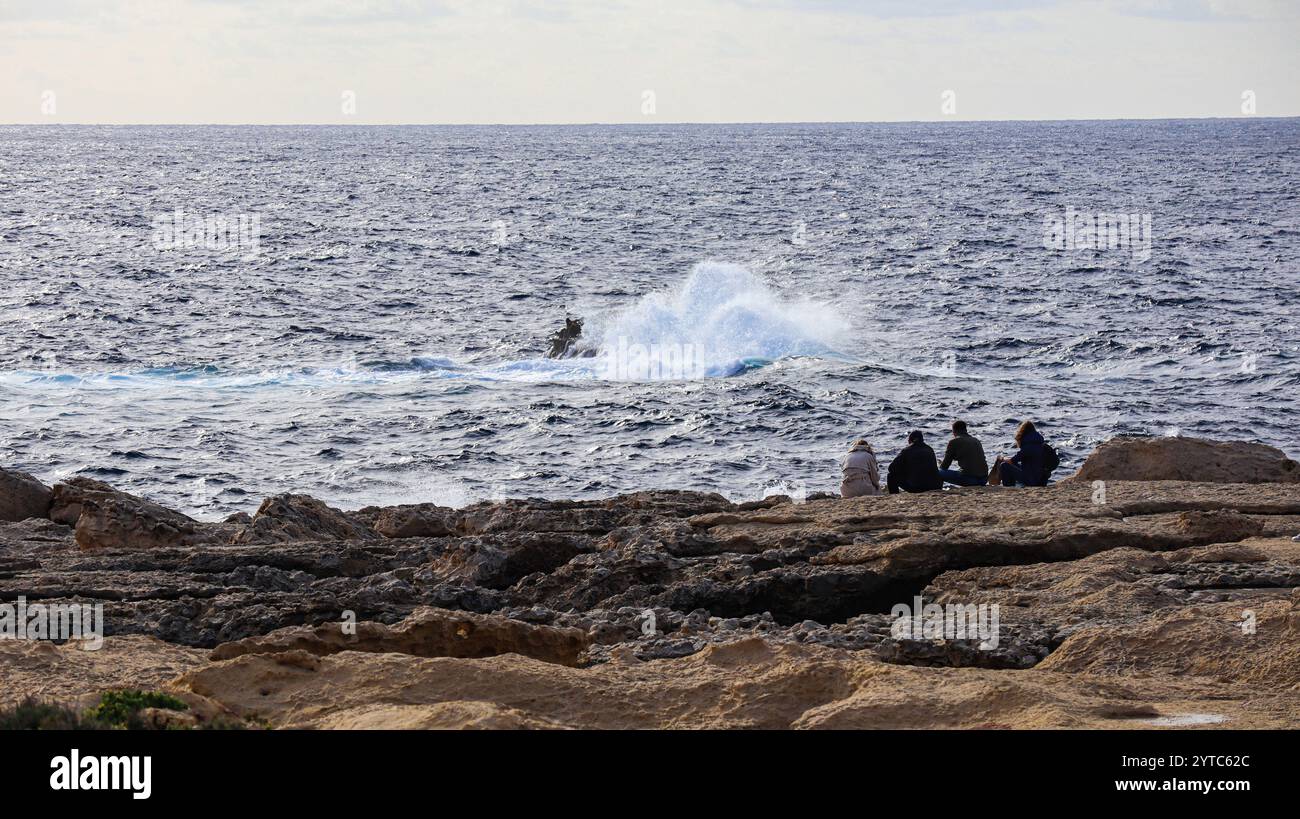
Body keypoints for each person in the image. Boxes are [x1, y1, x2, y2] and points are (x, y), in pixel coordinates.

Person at [991, 420, 1049, 487]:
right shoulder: (1040, 444)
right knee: (1013, 464)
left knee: (1004, 466)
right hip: (1041, 480)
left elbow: (1012, 460)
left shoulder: (1028, 446)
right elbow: (1015, 460)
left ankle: (1008, 487)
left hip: (1032, 481)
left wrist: (1002, 458)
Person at [938, 420, 988, 487]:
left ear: (954, 431)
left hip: (970, 480)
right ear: (966, 430)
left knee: (938, 472)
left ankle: (937, 489)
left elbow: (945, 466)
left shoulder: (954, 442)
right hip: (983, 479)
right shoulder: (976, 440)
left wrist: (940, 464)